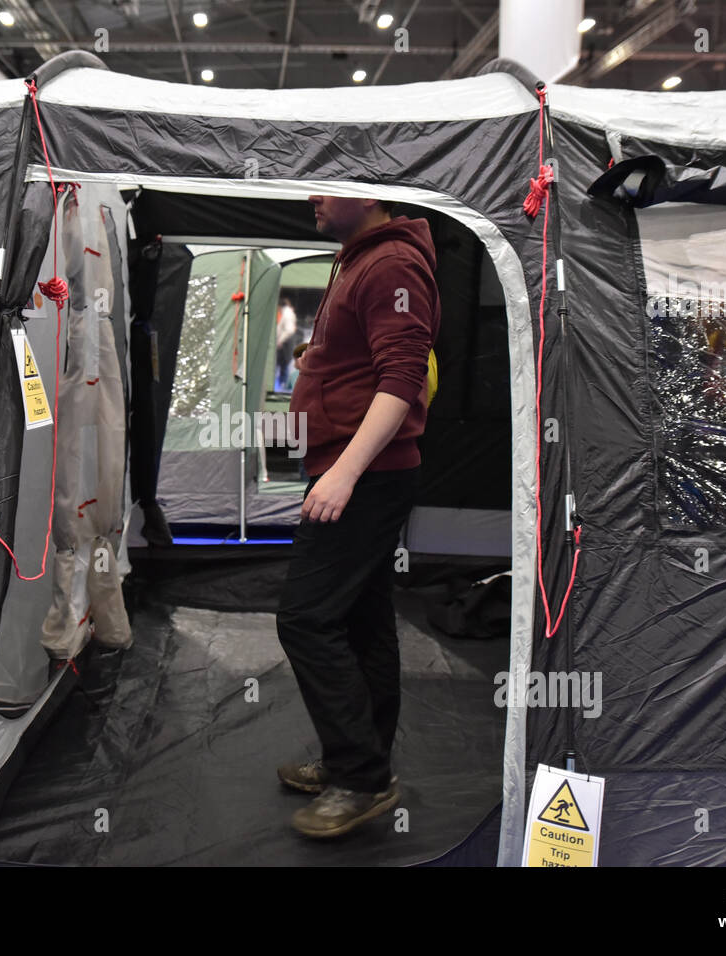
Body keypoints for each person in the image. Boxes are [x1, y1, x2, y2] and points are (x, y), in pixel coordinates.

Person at [276, 195, 440, 838]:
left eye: (326, 185)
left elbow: (402, 379)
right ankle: (362, 762)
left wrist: (344, 471)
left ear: (367, 193)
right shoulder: (357, 260)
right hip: (357, 470)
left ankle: (360, 778)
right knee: (361, 619)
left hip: (368, 476)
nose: (311, 197)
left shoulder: (392, 263)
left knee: (306, 619)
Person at [275, 296, 298, 390]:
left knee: (283, 366)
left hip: (285, 344)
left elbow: (289, 330)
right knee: (282, 366)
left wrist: (280, 340)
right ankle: (282, 384)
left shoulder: (287, 313)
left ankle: (283, 386)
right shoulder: (286, 312)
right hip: (284, 343)